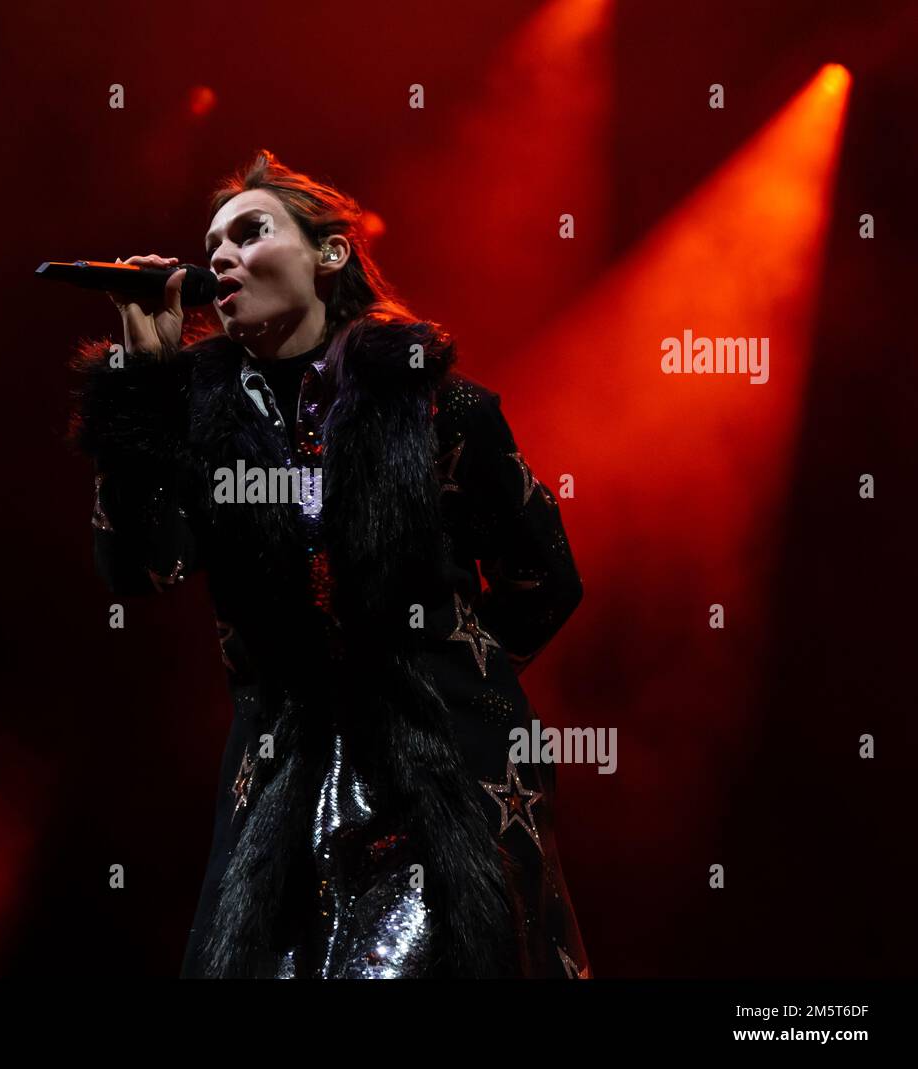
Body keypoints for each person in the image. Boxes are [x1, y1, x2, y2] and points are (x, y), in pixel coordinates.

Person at [67, 149, 591, 979]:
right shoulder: (199, 419)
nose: (224, 257)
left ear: (330, 252)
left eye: (251, 230)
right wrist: (143, 377)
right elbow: (137, 565)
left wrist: (444, 678)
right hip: (282, 790)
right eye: (213, 247)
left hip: (437, 784)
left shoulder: (434, 403)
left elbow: (546, 579)